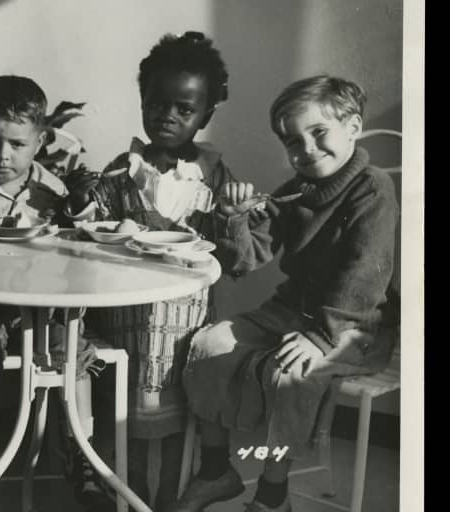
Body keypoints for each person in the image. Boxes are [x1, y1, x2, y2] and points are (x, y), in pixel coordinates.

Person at [168, 76, 399, 512]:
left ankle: (273, 497)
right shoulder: (297, 190)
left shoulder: (374, 188)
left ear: (352, 126)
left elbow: (365, 274)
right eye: (293, 141)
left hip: (355, 326)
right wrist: (235, 219)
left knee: (290, 372)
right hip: (292, 312)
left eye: (319, 133)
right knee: (206, 343)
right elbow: (245, 261)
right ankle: (216, 470)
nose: (307, 150)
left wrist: (322, 335)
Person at [63, 31, 237, 510]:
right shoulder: (124, 168)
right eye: (158, 104)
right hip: (128, 323)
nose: (169, 116)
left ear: (206, 114)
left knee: (178, 426)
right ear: (142, 100)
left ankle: (168, 502)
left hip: (185, 325)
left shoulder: (215, 176)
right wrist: (81, 198)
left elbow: (234, 246)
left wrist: (237, 214)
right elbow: (91, 222)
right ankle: (129, 499)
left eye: (185, 109)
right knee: (127, 426)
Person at [0, 75, 102, 511]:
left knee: (73, 349)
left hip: (43, 308)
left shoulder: (53, 189)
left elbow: (81, 248)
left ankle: (81, 448)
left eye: (16, 144)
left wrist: (79, 204)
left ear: (40, 140)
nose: (2, 156)